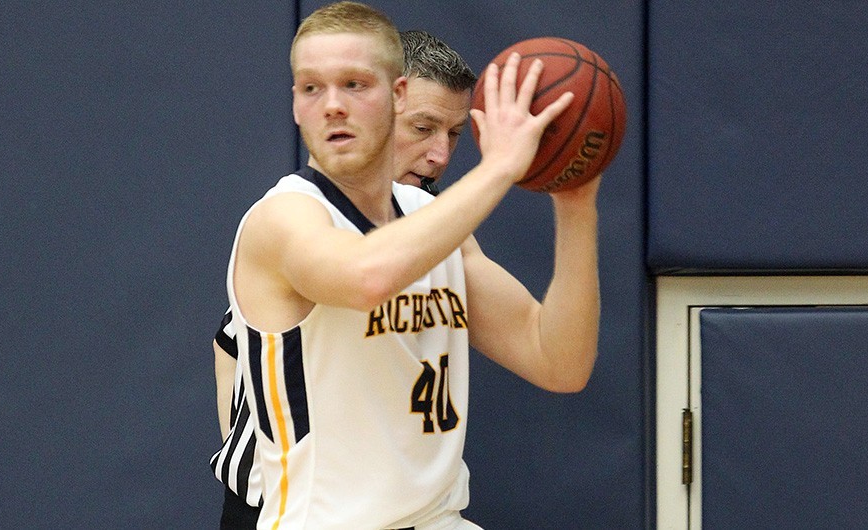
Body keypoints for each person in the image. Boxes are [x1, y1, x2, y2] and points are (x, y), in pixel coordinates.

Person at [224, 1, 598, 528]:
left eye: (354, 85)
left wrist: (575, 202)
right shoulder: (284, 219)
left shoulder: (435, 223)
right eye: (312, 88)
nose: (333, 105)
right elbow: (366, 277)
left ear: (394, 95)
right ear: (295, 104)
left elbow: (559, 362)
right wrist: (501, 167)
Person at [210, 28, 477, 528]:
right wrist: (262, 463)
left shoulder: (431, 219)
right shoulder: (305, 216)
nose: (440, 154)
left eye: (453, 134)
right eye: (423, 128)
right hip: (291, 506)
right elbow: (229, 346)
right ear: (385, 106)